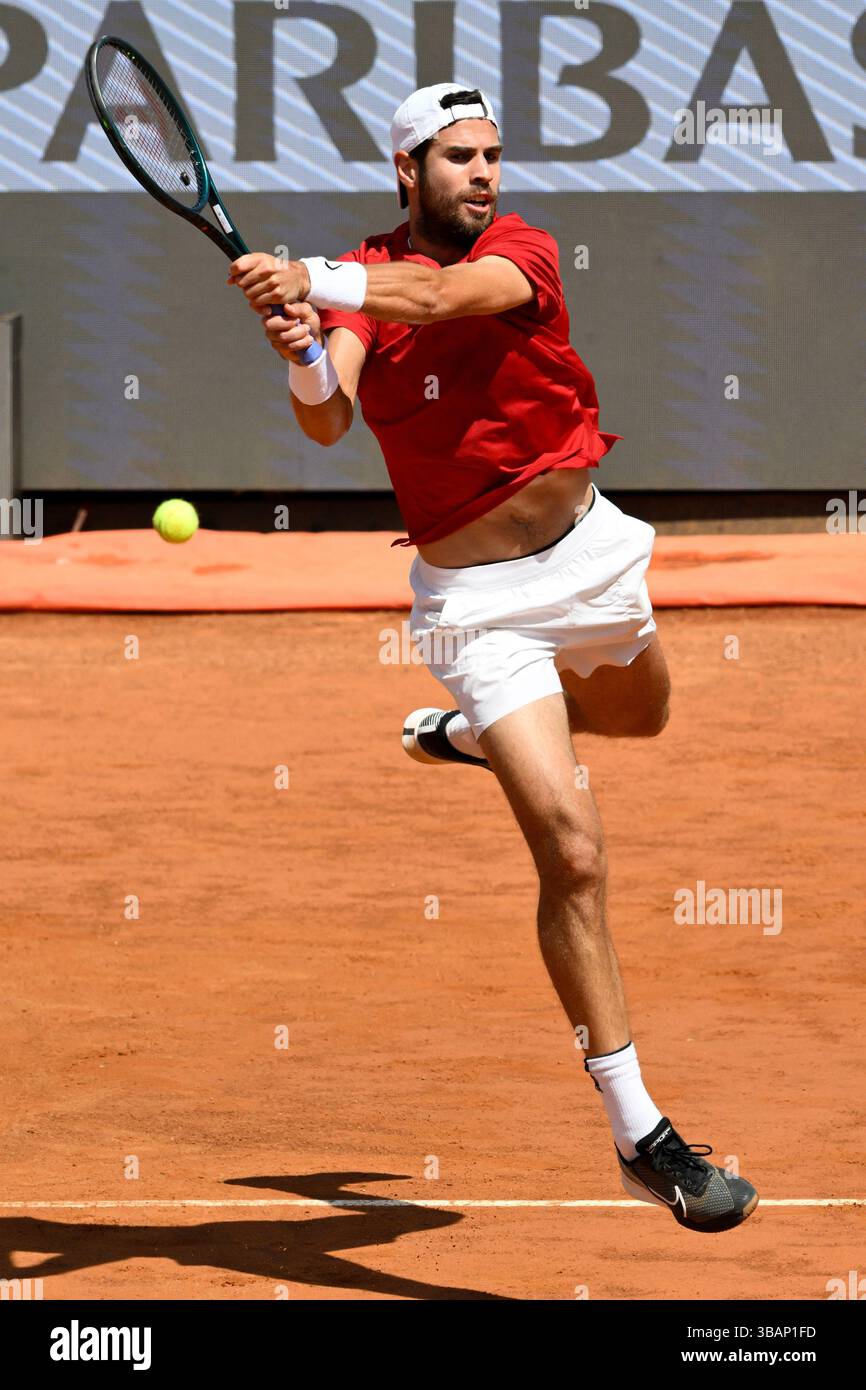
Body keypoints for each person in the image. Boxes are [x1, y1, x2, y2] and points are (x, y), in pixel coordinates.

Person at [228, 84, 758, 1233]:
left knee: (640, 718)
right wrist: (306, 352)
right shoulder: (366, 272)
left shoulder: (513, 252)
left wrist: (307, 281)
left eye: (491, 155)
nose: (483, 174)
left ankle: (470, 740)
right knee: (572, 845)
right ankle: (641, 1133)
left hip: (591, 562)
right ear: (405, 168)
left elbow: (438, 293)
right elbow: (327, 417)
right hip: (479, 606)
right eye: (457, 157)